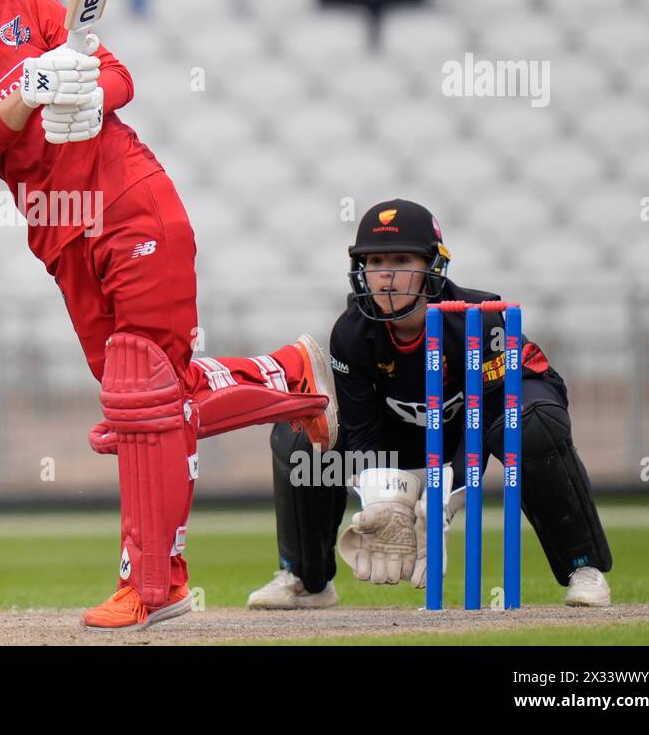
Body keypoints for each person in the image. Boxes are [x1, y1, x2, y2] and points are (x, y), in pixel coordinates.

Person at [0, 0, 337, 631]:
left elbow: (119, 78)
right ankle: (289, 376)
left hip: (130, 203)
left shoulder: (26, 10)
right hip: (59, 237)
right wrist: (32, 89)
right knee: (141, 407)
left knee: (148, 403)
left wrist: (88, 98)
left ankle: (152, 583)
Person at [251, 200, 612, 610]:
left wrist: (442, 499)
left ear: (433, 267)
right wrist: (386, 499)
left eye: (402, 259)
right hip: (403, 433)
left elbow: (487, 420)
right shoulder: (351, 334)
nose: (386, 275)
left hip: (478, 426)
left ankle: (584, 568)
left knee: (529, 425)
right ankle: (306, 579)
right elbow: (361, 431)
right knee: (300, 437)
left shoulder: (480, 322)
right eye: (374, 261)